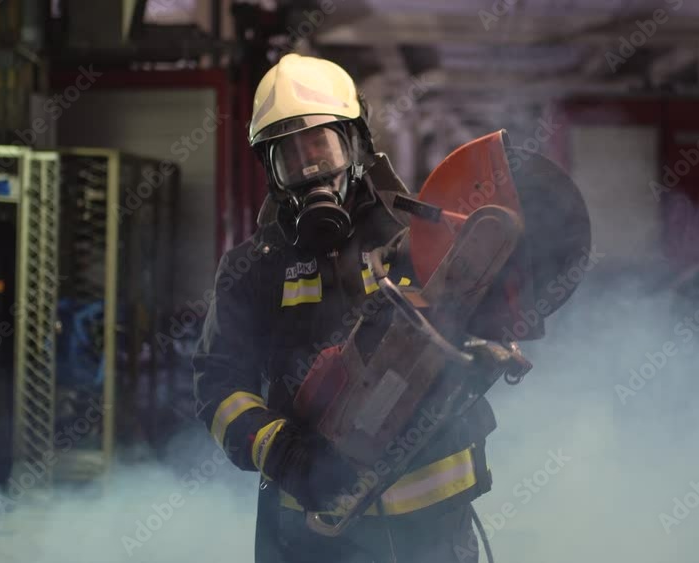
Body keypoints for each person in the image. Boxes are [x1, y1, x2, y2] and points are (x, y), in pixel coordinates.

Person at [193, 53, 497, 563]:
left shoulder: (416, 240)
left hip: (435, 528)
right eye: (291, 159)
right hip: (312, 531)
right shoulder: (252, 270)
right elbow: (218, 388)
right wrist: (281, 449)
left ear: (356, 147)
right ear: (272, 171)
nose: (312, 171)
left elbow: (488, 316)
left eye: (322, 148)